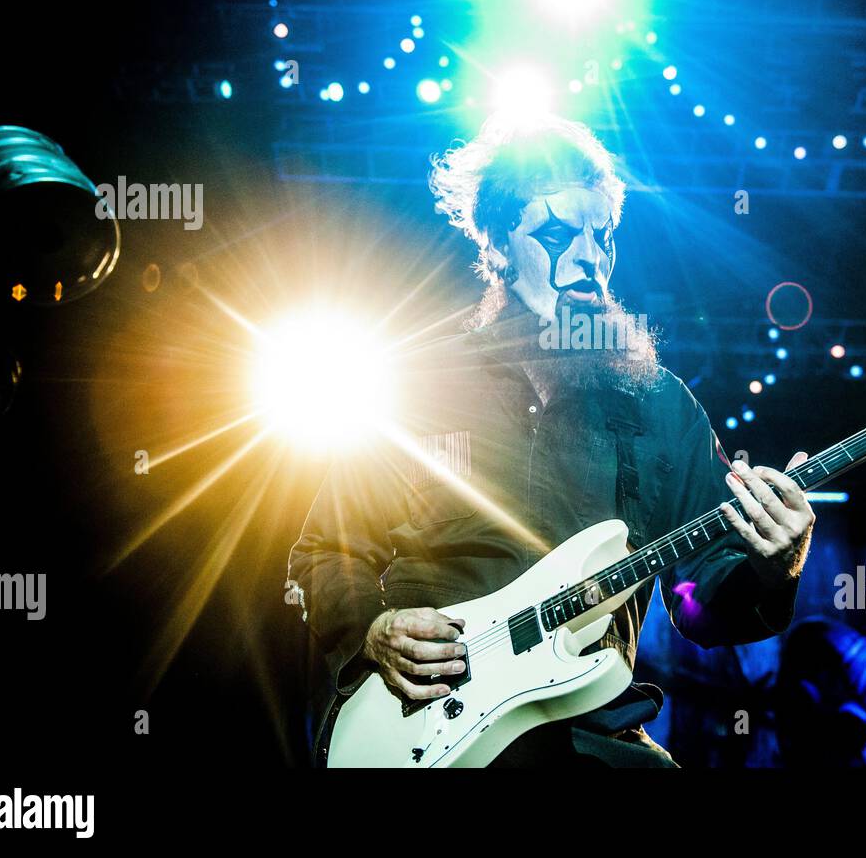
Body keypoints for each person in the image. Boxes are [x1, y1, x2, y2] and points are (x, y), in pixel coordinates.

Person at [287, 113, 815, 766]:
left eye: (604, 235)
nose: (590, 255)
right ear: (498, 244)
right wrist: (374, 629)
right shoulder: (416, 385)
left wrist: (776, 561)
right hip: (425, 728)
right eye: (560, 233)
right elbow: (324, 551)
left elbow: (700, 607)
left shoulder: (659, 403)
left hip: (592, 734)